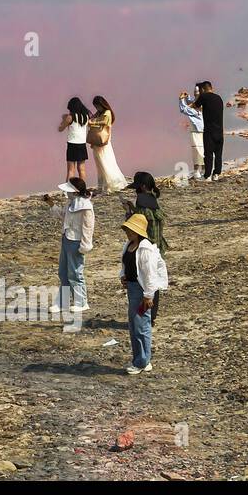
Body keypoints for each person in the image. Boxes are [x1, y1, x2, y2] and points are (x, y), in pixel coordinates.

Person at [119, 213, 168, 374]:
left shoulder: (145, 248)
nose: (128, 233)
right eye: (127, 230)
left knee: (141, 326)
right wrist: (123, 277)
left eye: (131, 231)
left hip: (141, 291)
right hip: (133, 289)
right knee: (134, 325)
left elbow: (149, 274)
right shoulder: (129, 245)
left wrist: (148, 295)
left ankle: (142, 362)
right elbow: (125, 265)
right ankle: (141, 359)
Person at [122, 172, 167, 324]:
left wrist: (128, 211)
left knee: (143, 281)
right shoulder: (153, 201)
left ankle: (143, 317)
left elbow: (136, 225)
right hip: (158, 247)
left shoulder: (141, 203)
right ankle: (151, 316)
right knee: (153, 280)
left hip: (145, 249)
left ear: (141, 187)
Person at [49, 178, 94, 314]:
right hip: (67, 239)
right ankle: (62, 302)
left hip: (76, 242)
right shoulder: (70, 203)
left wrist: (85, 245)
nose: (66, 194)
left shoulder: (85, 207)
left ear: (75, 192)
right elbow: (63, 216)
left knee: (75, 273)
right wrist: (51, 204)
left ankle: (81, 302)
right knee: (63, 272)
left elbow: (88, 227)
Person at [88, 95, 129, 193]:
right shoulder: (99, 113)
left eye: (98, 106)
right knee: (100, 165)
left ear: (102, 105)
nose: (97, 108)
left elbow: (104, 122)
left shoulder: (107, 113)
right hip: (98, 142)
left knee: (105, 162)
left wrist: (92, 122)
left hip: (103, 142)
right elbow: (93, 119)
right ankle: (102, 186)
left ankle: (111, 184)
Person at [195, 81, 226, 181]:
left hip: (209, 131)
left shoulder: (204, 97)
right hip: (220, 131)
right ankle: (216, 174)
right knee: (218, 154)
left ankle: (207, 175)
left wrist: (197, 96)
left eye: (200, 90)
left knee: (208, 154)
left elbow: (196, 105)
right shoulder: (219, 98)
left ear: (203, 89)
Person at [58, 97, 91, 181]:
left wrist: (63, 120)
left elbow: (60, 129)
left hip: (72, 144)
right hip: (82, 144)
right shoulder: (86, 116)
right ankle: (82, 189)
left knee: (71, 170)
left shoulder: (70, 117)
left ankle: (68, 190)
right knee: (82, 169)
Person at [178, 88, 205, 180]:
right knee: (205, 151)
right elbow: (194, 101)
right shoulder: (204, 103)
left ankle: (197, 171)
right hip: (205, 130)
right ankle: (204, 171)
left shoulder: (196, 109)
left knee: (197, 151)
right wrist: (188, 98)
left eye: (196, 93)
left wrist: (181, 99)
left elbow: (184, 109)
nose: (195, 94)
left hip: (197, 131)